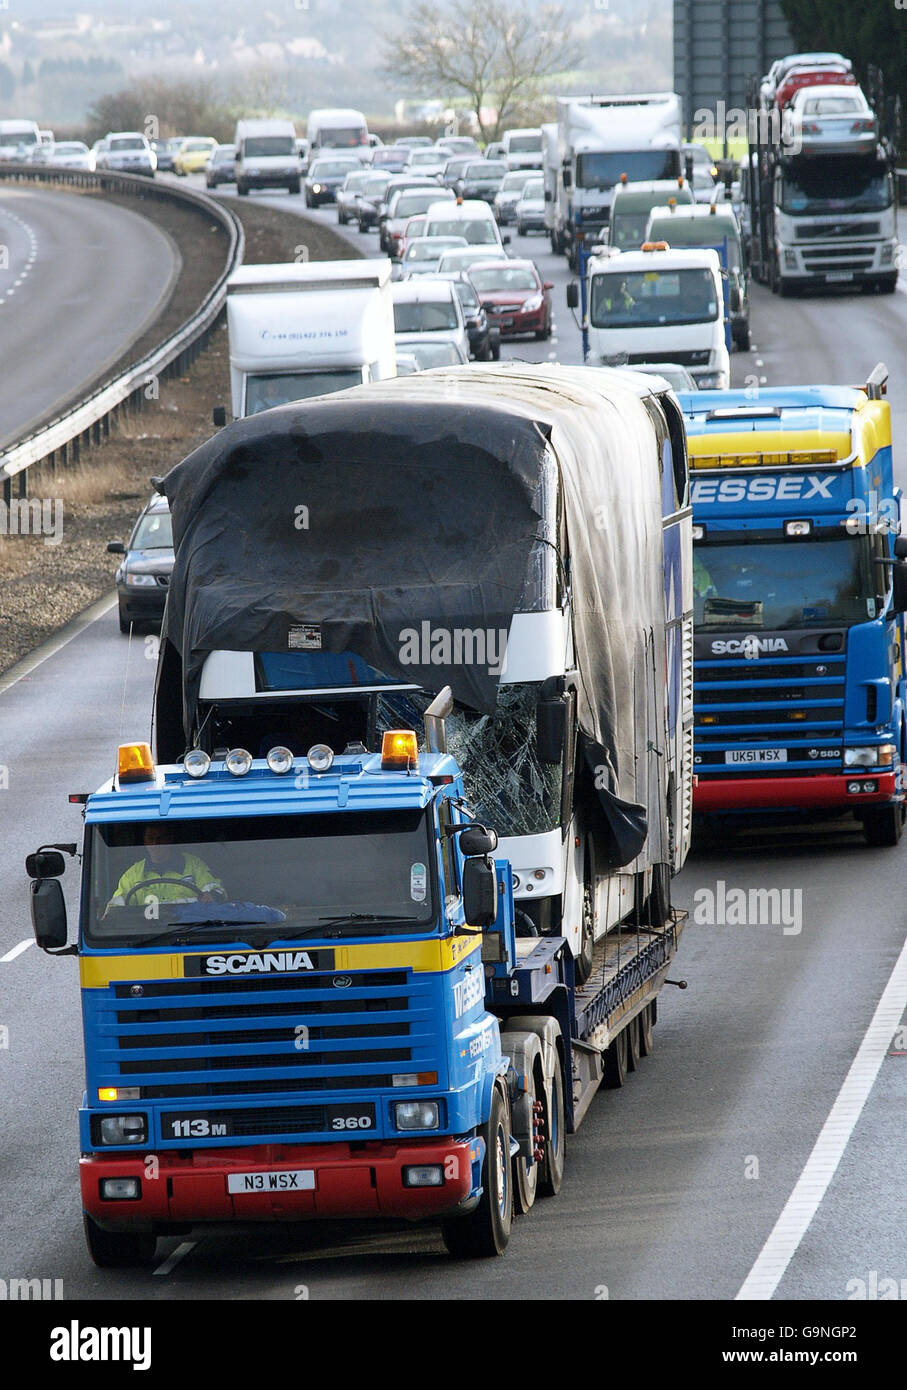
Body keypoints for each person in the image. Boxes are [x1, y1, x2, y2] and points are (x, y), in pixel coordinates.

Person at [106, 824, 225, 911]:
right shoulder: (132, 874)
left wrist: (212, 895)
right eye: (150, 839)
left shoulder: (194, 864)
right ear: (144, 842)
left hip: (189, 932)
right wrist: (110, 915)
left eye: (160, 839)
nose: (155, 844)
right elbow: (117, 905)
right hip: (147, 937)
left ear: (170, 839)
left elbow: (214, 888)